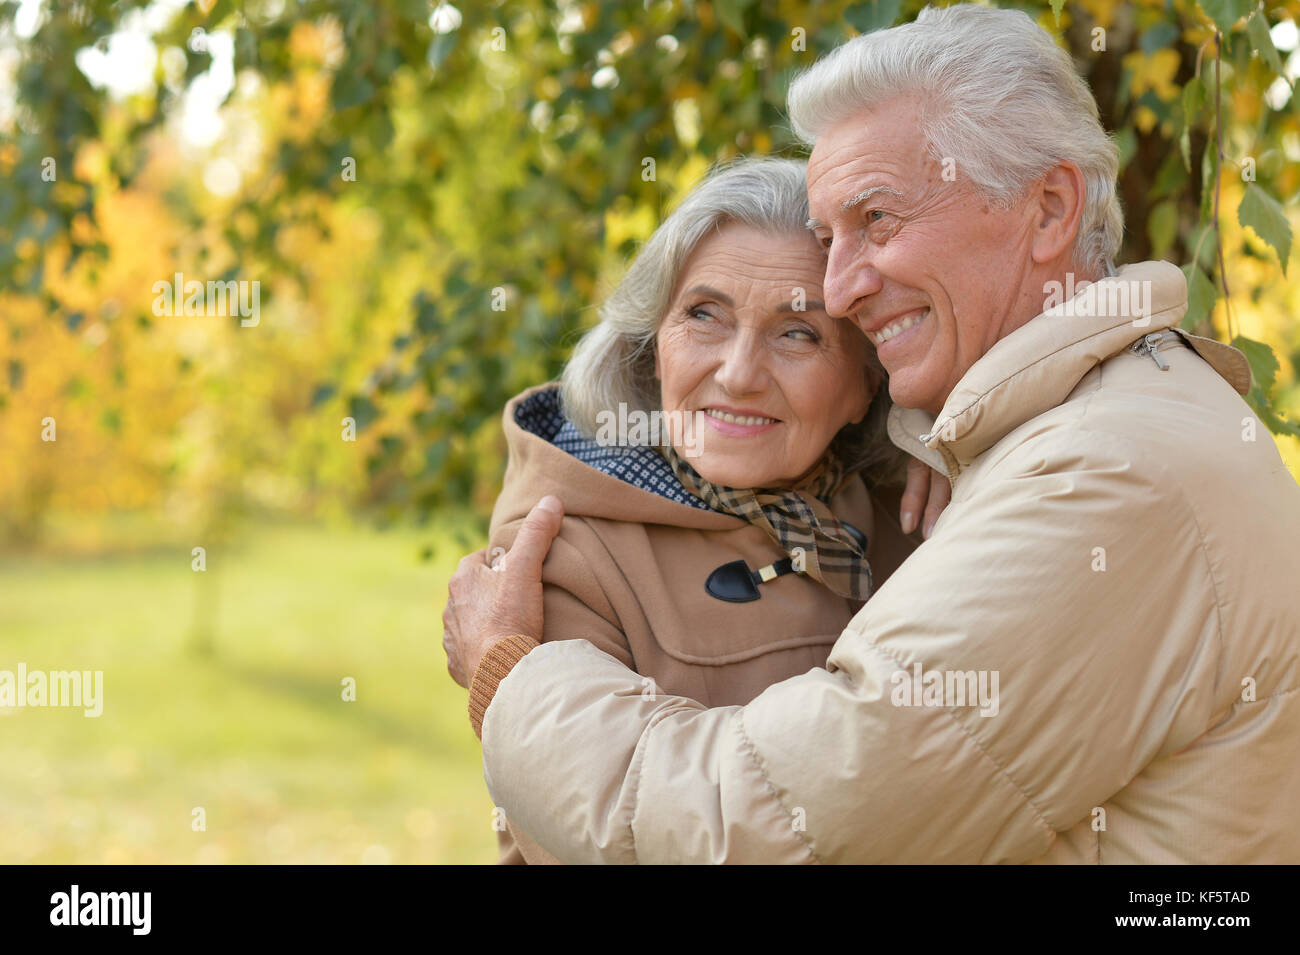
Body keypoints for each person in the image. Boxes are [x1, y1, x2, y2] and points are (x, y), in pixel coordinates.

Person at [443, 4, 1300, 863]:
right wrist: (949, 440)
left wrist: (509, 678)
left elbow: (777, 828)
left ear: (1048, 209)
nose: (844, 288)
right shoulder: (1105, 423)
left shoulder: (1101, 477)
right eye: (829, 238)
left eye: (877, 220)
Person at [472, 157, 945, 863]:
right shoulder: (561, 546)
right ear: (651, 347)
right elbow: (588, 830)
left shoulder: (912, 503)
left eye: (798, 333)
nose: (738, 373)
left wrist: (955, 447)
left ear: (865, 387)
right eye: (704, 315)